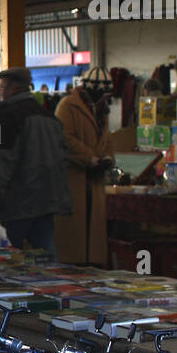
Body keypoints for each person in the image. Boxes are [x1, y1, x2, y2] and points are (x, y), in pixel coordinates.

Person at [0, 67, 72, 254]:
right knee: (46, 262)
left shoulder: (1, 116)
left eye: (1, 88)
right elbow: (62, 157)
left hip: (15, 204)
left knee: (3, 264)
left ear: (13, 88)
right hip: (47, 201)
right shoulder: (49, 116)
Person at [54, 82, 114, 265]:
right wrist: (91, 158)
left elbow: (106, 139)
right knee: (73, 240)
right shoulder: (67, 106)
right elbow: (64, 137)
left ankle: (91, 267)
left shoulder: (102, 110)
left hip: (93, 182)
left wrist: (108, 158)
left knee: (91, 238)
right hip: (74, 179)